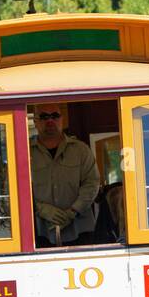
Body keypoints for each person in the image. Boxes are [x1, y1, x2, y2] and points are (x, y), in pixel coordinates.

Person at [29, 104, 101, 247]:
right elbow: (15, 188)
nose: (50, 121)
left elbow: (92, 183)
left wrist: (73, 211)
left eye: (55, 116)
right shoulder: (24, 152)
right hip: (38, 231)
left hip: (80, 230)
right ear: (35, 121)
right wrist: (38, 208)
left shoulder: (81, 150)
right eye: (44, 116)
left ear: (62, 119)